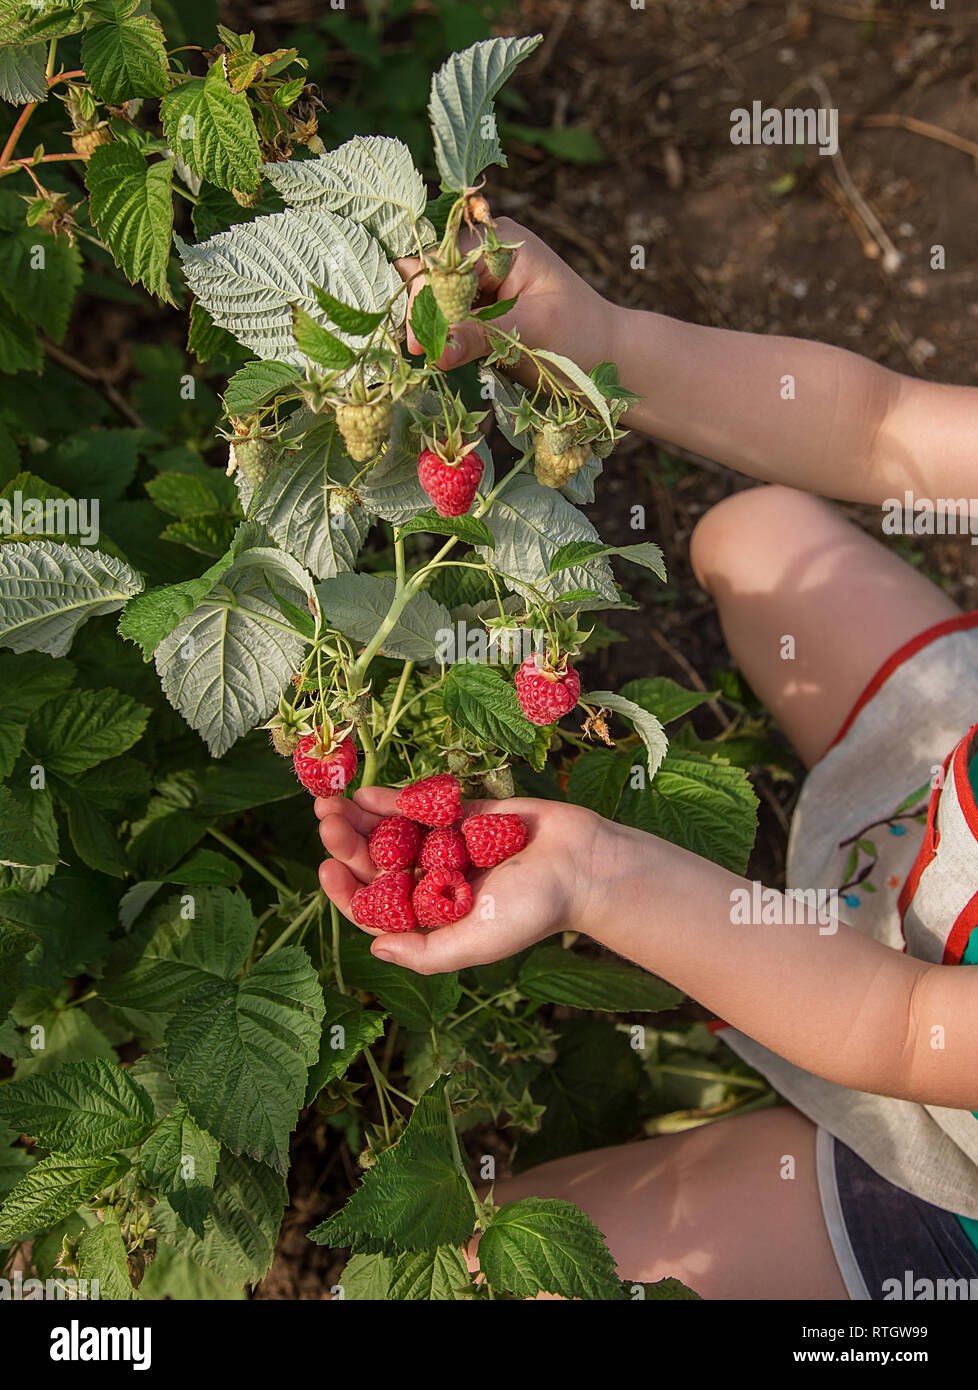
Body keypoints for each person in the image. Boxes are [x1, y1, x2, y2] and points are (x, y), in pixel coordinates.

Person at [316, 220, 978, 1300]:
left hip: (950, 1129)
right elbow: (881, 425)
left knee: (514, 1266)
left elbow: (896, 1026)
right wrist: (598, 339)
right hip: (942, 847)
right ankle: (901, 853)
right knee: (758, 538)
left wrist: (594, 869)